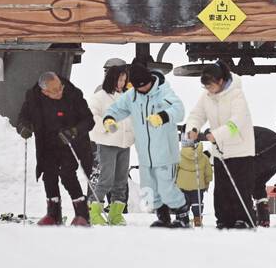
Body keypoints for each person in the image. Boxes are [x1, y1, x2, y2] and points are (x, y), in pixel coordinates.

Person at [103, 61, 188, 227]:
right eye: (138, 87)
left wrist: (163, 116)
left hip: (165, 152)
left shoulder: (163, 91)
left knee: (166, 188)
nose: (142, 89)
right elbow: (117, 108)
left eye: (145, 85)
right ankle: (163, 217)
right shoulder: (132, 95)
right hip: (144, 153)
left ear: (150, 80)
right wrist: (109, 119)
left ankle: (182, 214)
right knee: (149, 190)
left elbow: (179, 110)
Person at [16, 71, 96, 227]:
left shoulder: (73, 94)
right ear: (44, 91)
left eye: (60, 87)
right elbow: (23, 117)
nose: (60, 91)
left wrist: (73, 131)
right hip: (47, 142)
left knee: (67, 174)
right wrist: (23, 127)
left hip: (70, 141)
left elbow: (89, 120)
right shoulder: (33, 98)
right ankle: (53, 214)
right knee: (49, 174)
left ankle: (82, 214)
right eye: (55, 90)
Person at [185, 61, 255, 229]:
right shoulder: (207, 97)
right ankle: (223, 219)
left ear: (221, 81)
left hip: (240, 149)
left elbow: (236, 122)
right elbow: (196, 115)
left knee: (239, 186)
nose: (208, 90)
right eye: (205, 87)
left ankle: (244, 219)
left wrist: (216, 134)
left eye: (210, 85)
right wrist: (193, 128)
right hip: (219, 149)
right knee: (222, 188)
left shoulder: (237, 95)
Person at [87, 60, 134, 226]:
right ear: (112, 79)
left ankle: (115, 214)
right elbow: (92, 115)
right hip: (107, 143)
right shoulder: (100, 97)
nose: (121, 83)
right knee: (106, 179)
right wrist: (105, 125)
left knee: (121, 181)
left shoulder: (127, 97)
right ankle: (94, 211)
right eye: (119, 79)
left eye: (124, 80)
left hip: (124, 144)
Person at [251, 126, 276, 227]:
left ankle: (247, 216)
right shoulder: (249, 130)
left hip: (270, 150)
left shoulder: (239, 133)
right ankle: (264, 219)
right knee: (258, 183)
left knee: (246, 179)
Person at [177, 134, 213, 227]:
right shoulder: (203, 157)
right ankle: (197, 219)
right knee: (197, 203)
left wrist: (174, 181)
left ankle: (182, 219)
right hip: (198, 186)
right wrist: (207, 182)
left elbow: (175, 170)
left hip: (182, 185)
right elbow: (208, 171)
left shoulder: (179, 156)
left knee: (182, 203)